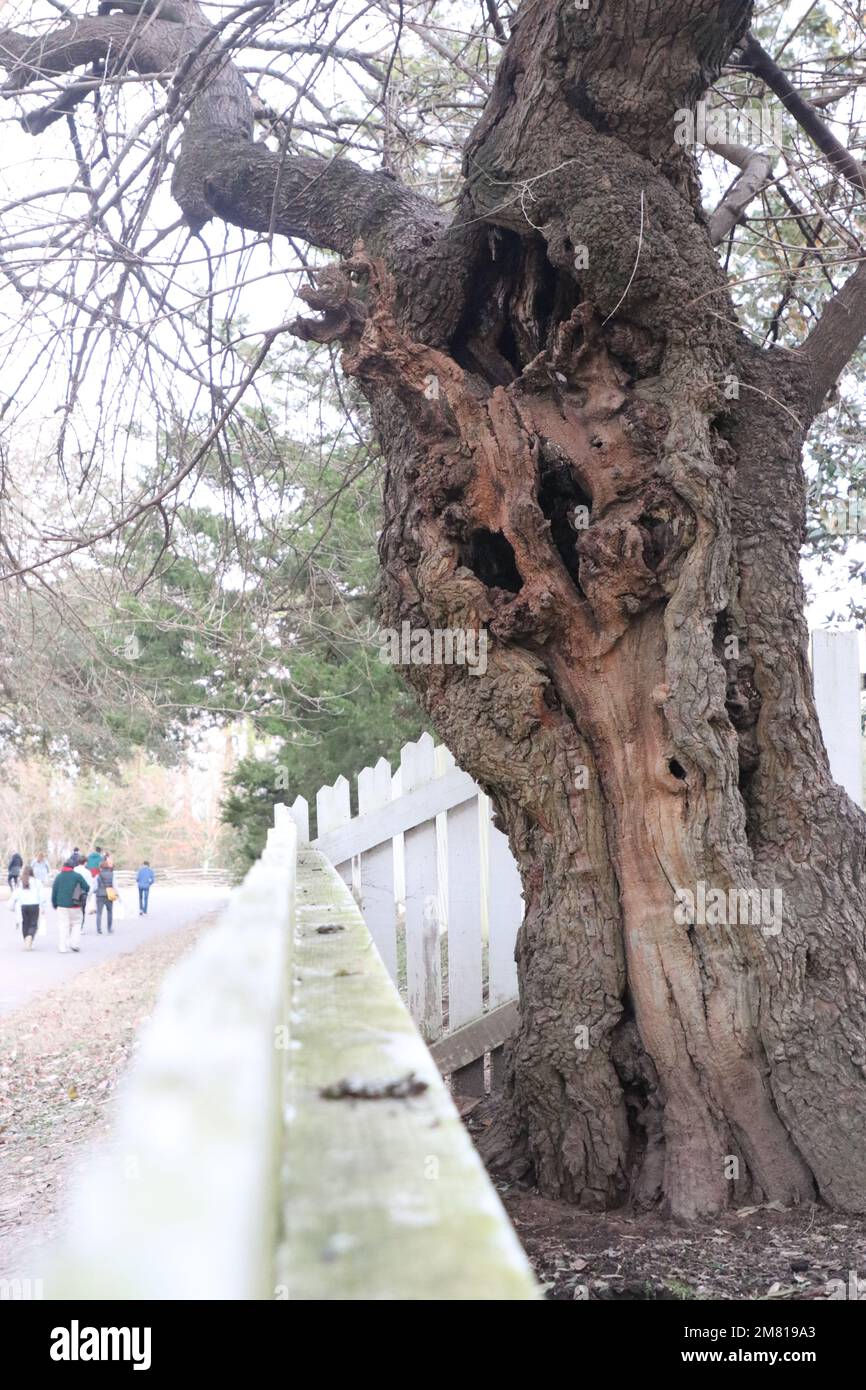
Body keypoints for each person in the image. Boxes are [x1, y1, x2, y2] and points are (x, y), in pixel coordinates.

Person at [51, 859, 91, 954]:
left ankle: (62, 947)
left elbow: (54, 891)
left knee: (63, 925)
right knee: (77, 924)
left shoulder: (59, 877)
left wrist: (54, 903)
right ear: (73, 867)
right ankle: (74, 944)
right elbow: (87, 887)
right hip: (75, 905)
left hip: (61, 905)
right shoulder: (77, 876)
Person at [9, 866, 46, 950]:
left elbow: (16, 894)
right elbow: (41, 895)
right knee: (33, 924)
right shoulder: (37, 882)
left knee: (25, 924)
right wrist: (43, 906)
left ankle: (26, 940)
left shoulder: (21, 882)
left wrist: (11, 904)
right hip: (34, 905)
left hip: (24, 906)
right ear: (32, 872)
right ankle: (30, 937)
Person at [95, 855, 116, 936]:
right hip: (109, 894)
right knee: (110, 912)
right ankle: (109, 928)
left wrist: (92, 893)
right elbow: (114, 885)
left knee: (99, 913)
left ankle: (99, 930)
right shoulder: (112, 874)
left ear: (101, 867)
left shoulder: (98, 875)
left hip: (100, 895)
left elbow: (95, 886)